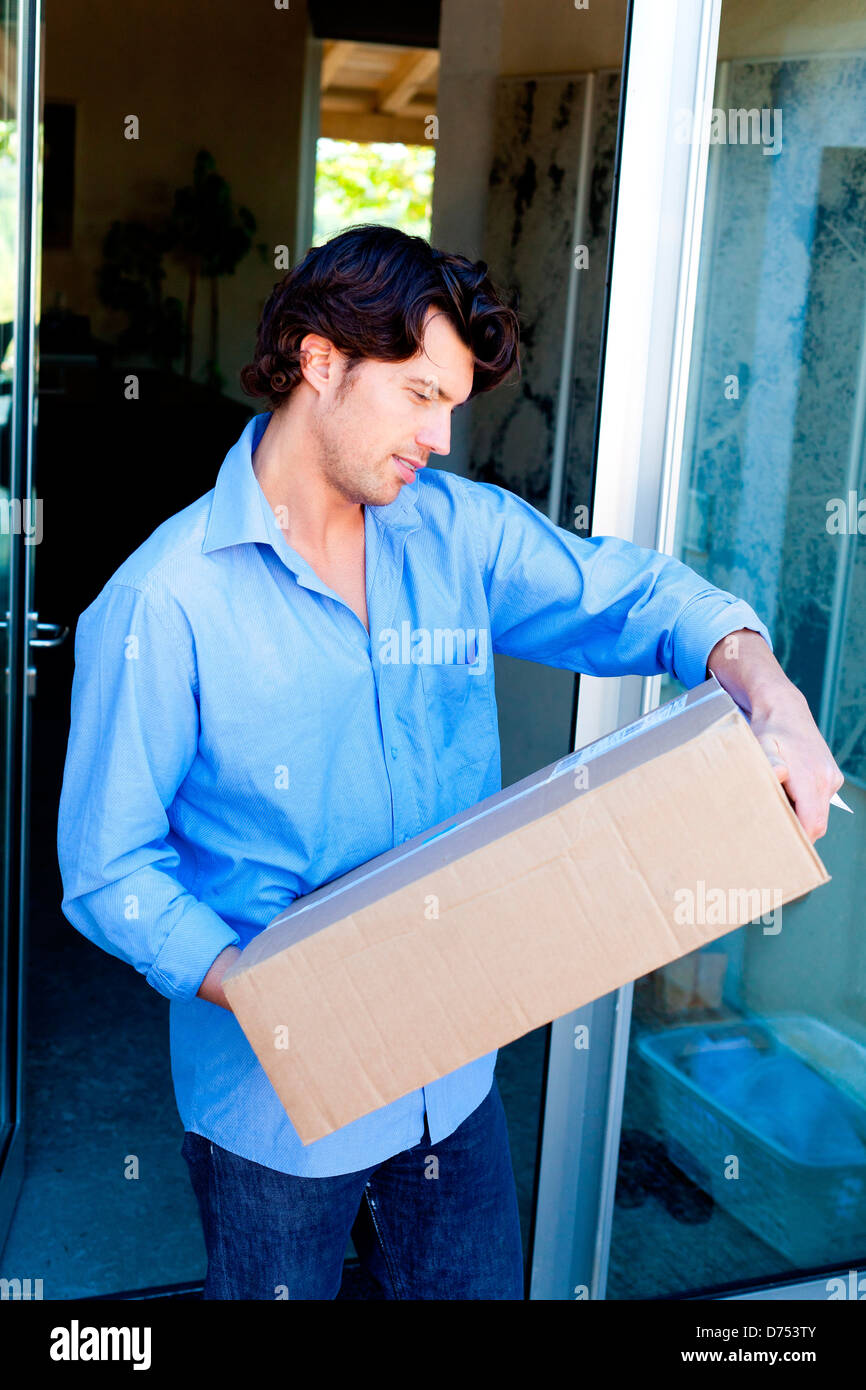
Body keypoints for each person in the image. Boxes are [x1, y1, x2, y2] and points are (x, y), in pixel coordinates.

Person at [57, 224, 842, 1300]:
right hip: (271, 1105)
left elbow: (640, 599)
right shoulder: (163, 603)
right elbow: (108, 869)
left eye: (452, 405)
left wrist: (770, 692)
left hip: (451, 1083)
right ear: (319, 361)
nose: (438, 435)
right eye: (420, 394)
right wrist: (260, 988)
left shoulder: (455, 533)